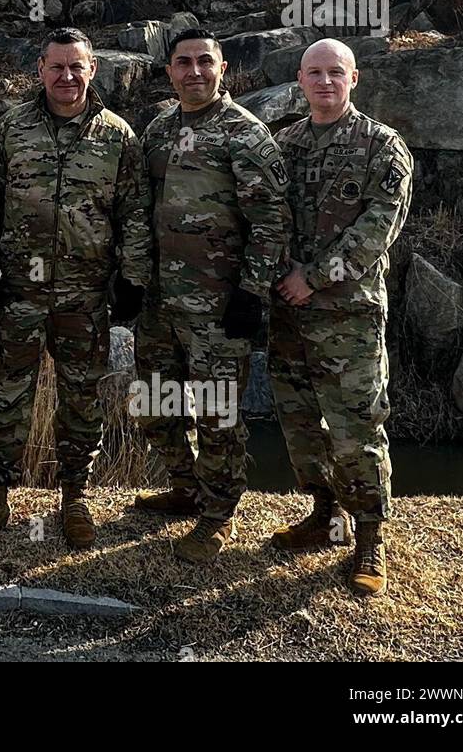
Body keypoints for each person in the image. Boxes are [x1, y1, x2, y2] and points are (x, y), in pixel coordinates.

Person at [0, 28, 152, 553]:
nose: (67, 77)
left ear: (92, 70)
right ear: (39, 69)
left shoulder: (117, 135)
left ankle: (74, 496)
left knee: (81, 398)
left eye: (77, 67)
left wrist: (132, 277)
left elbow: (134, 211)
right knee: (6, 396)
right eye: (56, 67)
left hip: (85, 293)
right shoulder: (8, 128)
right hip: (17, 290)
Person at [133, 29, 290, 563]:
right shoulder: (158, 130)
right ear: (170, 70)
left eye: (205, 61)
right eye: (183, 62)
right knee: (155, 404)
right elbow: (138, 207)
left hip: (221, 306)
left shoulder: (245, 135)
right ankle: (184, 486)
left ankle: (218, 514)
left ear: (222, 67)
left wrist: (252, 291)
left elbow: (272, 220)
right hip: (159, 303)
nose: (194, 71)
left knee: (218, 416)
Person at [270, 38, 412, 598]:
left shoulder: (383, 147)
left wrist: (313, 276)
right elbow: (266, 217)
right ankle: (325, 515)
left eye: (335, 72)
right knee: (302, 422)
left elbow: (376, 231)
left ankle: (371, 538)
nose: (324, 82)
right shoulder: (284, 144)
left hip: (348, 316)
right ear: (300, 80)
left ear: (354, 78)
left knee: (356, 429)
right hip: (289, 313)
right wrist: (281, 273)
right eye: (314, 73)